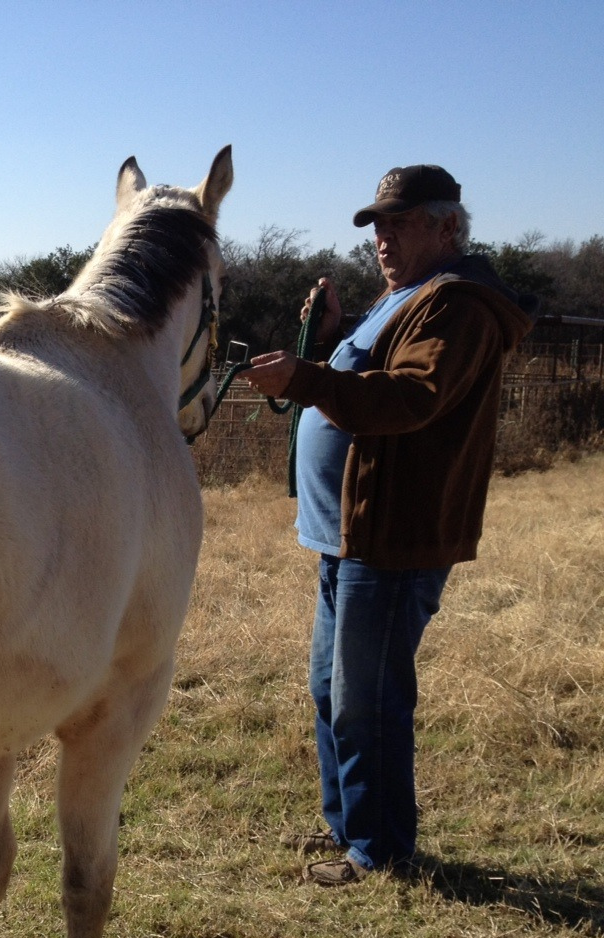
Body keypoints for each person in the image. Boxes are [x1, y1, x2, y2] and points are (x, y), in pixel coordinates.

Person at [239, 165, 534, 887]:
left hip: (393, 537)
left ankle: (379, 853)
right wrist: (334, 337)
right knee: (331, 691)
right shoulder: (403, 298)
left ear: (446, 227)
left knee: (367, 700)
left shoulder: (457, 306)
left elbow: (408, 398)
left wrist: (303, 379)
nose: (382, 239)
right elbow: (369, 370)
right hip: (348, 535)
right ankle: (351, 826)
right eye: (377, 226)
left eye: (398, 224)